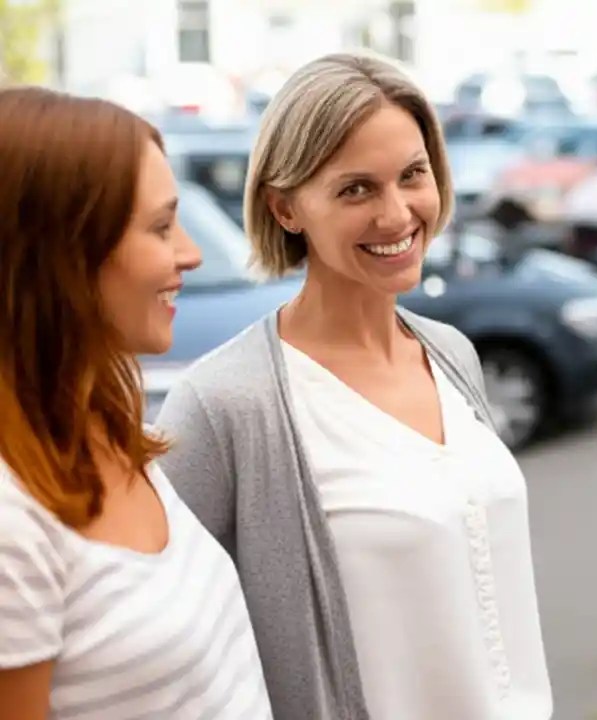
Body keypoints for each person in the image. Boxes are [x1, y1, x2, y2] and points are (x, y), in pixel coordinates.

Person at [154, 52, 553, 720]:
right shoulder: (227, 403)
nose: (397, 214)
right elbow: (172, 648)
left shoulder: (450, 353)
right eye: (356, 189)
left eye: (412, 175)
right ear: (285, 208)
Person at [0, 87, 273, 718]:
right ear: (59, 257)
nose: (191, 252)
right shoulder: (14, 522)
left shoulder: (111, 425)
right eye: (159, 226)